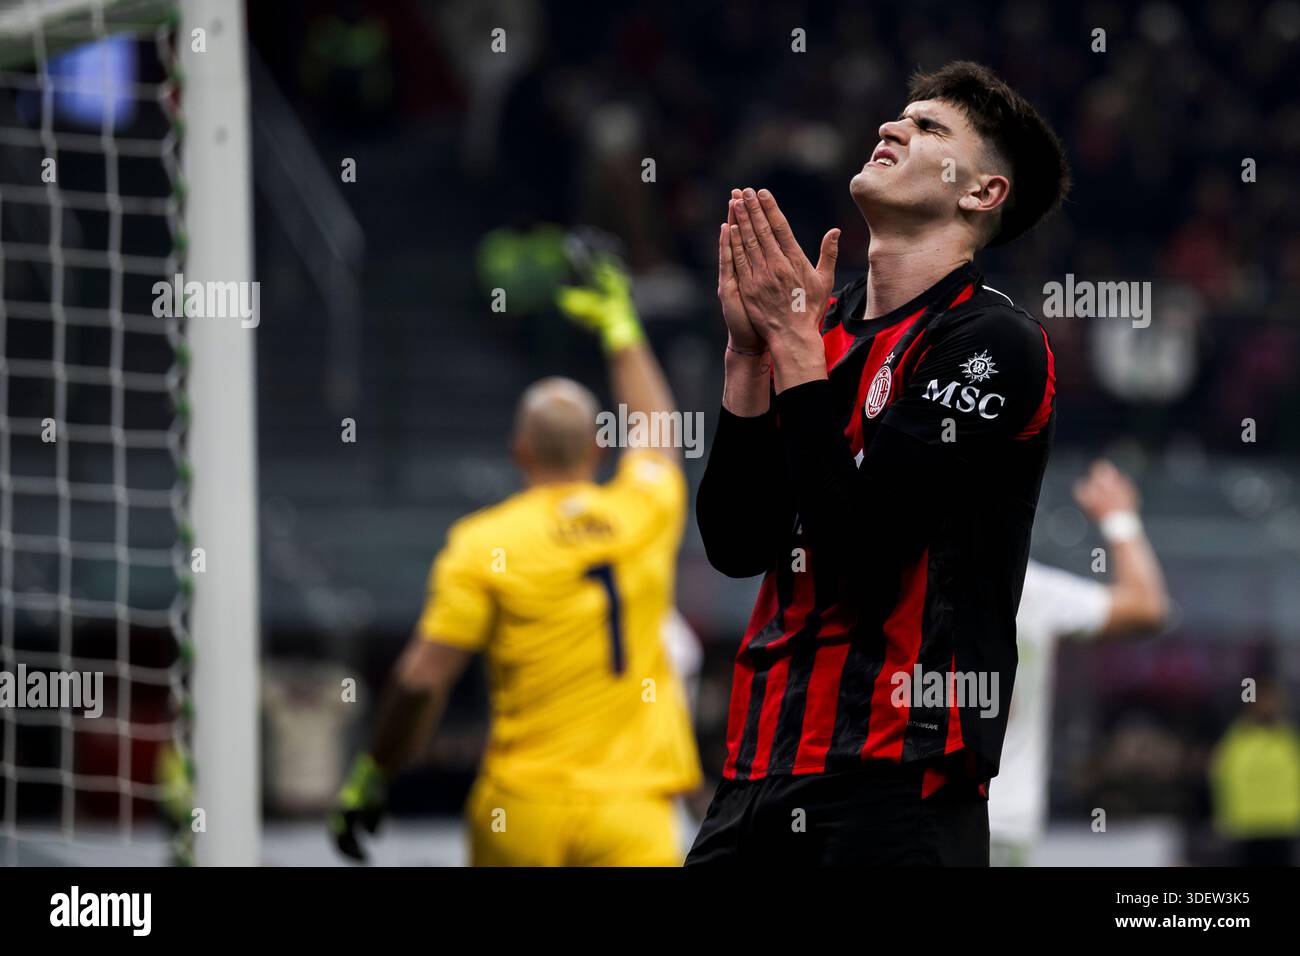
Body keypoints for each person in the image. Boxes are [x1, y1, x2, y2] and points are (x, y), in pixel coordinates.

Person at [689, 61, 1068, 865]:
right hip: (757, 767)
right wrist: (748, 358)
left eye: (931, 127)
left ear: (982, 194)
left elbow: (864, 555)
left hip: (899, 780)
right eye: (899, 116)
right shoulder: (814, 331)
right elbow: (736, 542)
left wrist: (793, 352)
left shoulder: (992, 344)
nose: (893, 128)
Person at [330, 252, 701, 865]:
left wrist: (375, 772)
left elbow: (422, 678)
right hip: (631, 811)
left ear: (519, 451)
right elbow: (658, 429)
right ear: (599, 446)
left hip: (523, 808)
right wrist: (620, 325)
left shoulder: (484, 543)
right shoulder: (642, 515)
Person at [990, 459, 1171, 866]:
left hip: (917, 816)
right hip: (1001, 822)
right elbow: (1147, 607)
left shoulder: (892, 581)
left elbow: (1146, 609)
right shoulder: (1027, 588)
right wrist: (1120, 519)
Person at [1210, 678, 1300, 867]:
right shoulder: (1236, 738)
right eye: (1262, 700)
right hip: (1247, 824)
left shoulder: (1287, 737)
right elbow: (1221, 776)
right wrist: (1222, 814)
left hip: (1283, 822)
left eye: (1272, 699)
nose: (1267, 705)